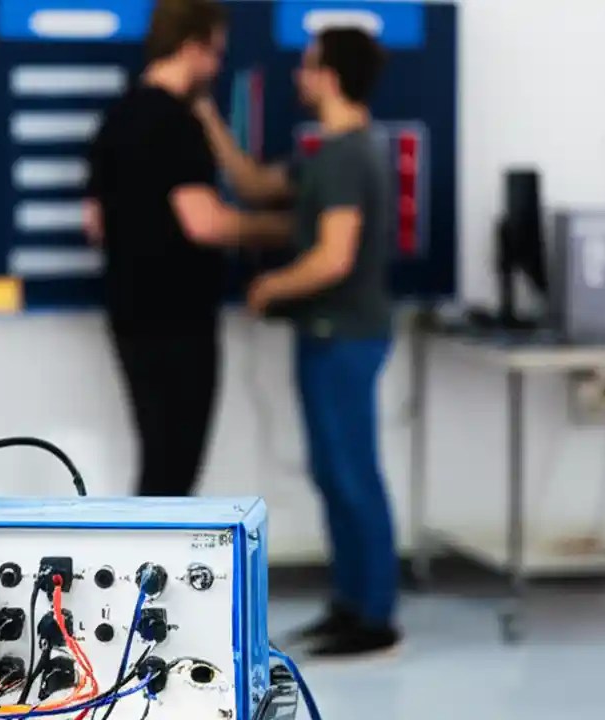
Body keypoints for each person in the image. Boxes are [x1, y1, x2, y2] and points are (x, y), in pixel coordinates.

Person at [194, 27, 400, 657]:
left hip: (344, 338)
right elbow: (258, 187)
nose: (298, 76)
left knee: (351, 474)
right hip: (330, 336)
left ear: (330, 77)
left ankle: (375, 617)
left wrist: (270, 287)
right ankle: (350, 604)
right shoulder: (334, 153)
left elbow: (333, 256)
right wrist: (208, 117)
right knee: (334, 473)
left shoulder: (345, 158)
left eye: (308, 66)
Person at [84, 0, 289, 498]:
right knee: (174, 469)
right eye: (215, 53)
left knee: (158, 460)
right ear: (192, 46)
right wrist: (283, 230)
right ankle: (154, 552)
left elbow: (95, 224)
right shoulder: (175, 122)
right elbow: (205, 223)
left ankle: (145, 547)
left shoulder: (117, 117)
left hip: (129, 313)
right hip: (178, 320)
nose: (217, 67)